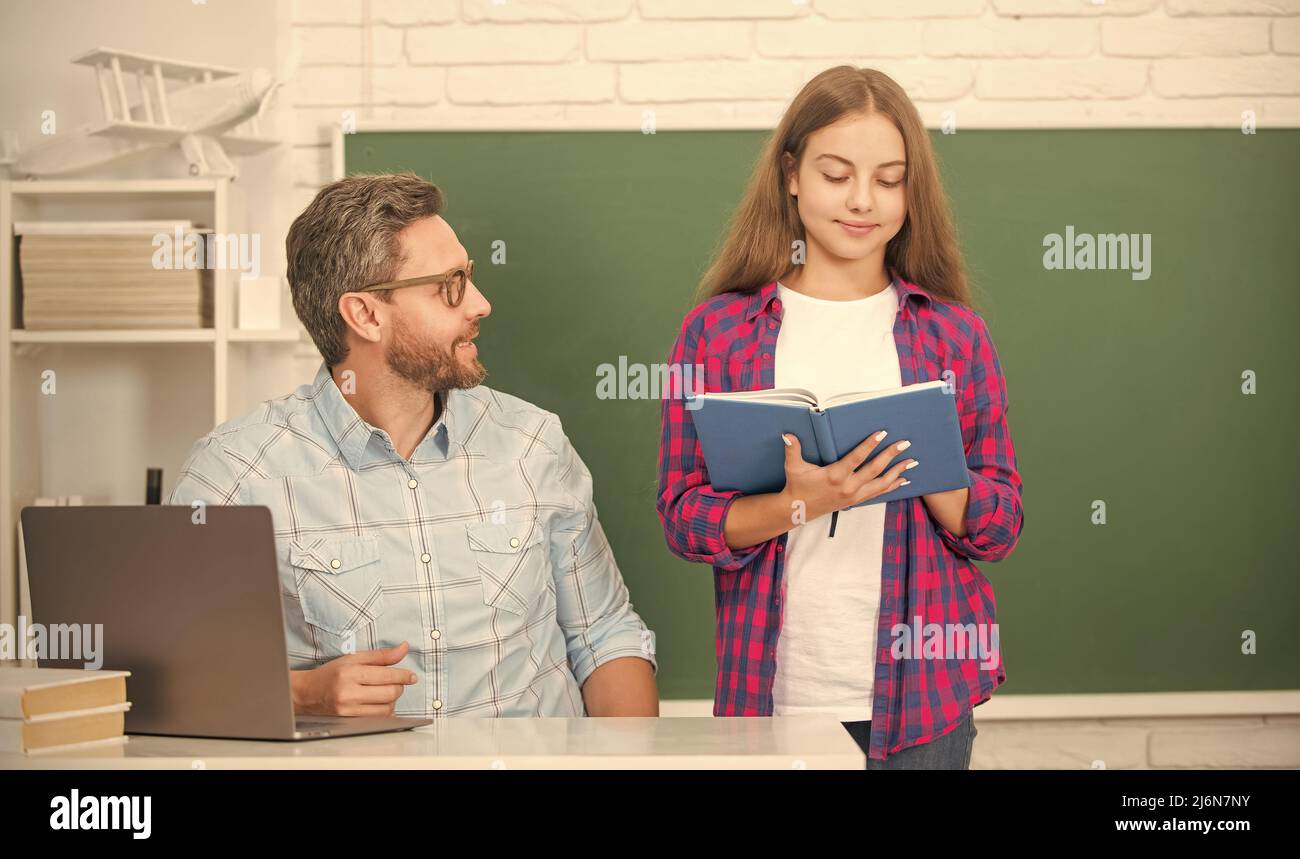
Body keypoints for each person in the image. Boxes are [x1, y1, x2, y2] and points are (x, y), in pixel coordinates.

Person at [171, 172, 658, 719]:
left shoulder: (532, 444)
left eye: (469, 277)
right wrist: (298, 694)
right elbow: (176, 675)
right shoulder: (234, 474)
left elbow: (606, 638)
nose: (480, 303)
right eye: (450, 285)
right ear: (366, 314)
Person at [656, 66, 1024, 768]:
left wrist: (929, 469)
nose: (863, 201)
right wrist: (798, 503)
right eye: (836, 174)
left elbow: (1000, 526)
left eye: (890, 180)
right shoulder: (718, 333)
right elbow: (683, 516)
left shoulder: (954, 335)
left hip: (922, 706)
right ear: (791, 175)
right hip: (770, 702)